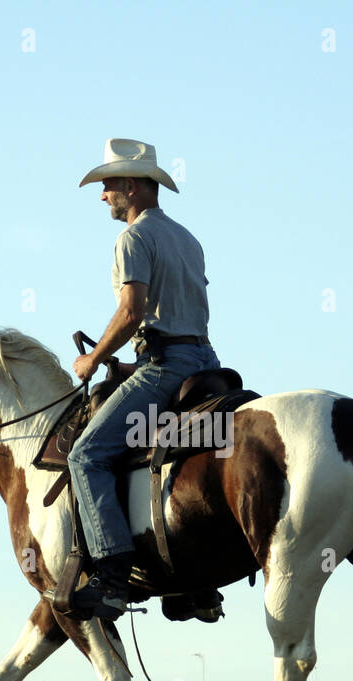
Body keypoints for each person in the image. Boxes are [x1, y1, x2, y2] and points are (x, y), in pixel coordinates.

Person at [67, 138, 221, 620]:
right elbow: (181, 318)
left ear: (131, 187)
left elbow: (132, 311)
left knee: (86, 454)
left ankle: (112, 575)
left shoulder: (132, 238)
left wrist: (95, 358)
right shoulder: (188, 238)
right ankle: (198, 582)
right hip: (207, 363)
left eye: (108, 185)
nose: (103, 195)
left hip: (167, 368)